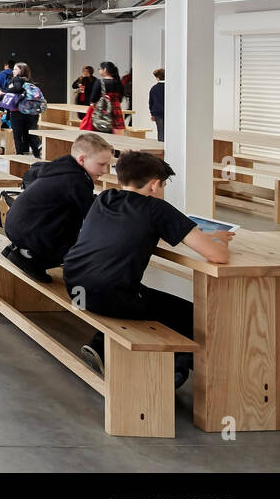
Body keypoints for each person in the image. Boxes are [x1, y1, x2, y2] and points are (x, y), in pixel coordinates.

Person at [64, 152, 232, 388]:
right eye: (163, 184)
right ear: (154, 185)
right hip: (113, 295)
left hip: (76, 286)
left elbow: (130, 232)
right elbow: (218, 256)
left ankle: (100, 345)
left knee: (148, 299)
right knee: (192, 315)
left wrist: (202, 236)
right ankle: (175, 368)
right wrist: (220, 241)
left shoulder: (105, 198)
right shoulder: (157, 209)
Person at [2, 133, 114, 281]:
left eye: (109, 165)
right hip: (30, 233)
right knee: (84, 250)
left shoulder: (62, 169)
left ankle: (21, 251)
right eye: (102, 164)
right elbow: (93, 215)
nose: (106, 171)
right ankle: (31, 259)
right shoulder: (78, 180)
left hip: (17, 227)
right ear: (82, 160)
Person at [5, 61, 42, 159]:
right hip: (31, 112)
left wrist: (8, 90)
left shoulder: (17, 79)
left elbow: (16, 89)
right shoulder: (30, 81)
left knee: (17, 135)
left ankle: (19, 156)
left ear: (22, 70)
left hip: (17, 111)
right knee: (29, 133)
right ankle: (37, 154)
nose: (13, 71)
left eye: (16, 69)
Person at [82, 61, 126, 133]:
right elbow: (120, 98)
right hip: (116, 109)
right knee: (116, 130)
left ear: (105, 69)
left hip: (103, 109)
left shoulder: (100, 82)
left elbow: (93, 99)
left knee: (102, 129)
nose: (99, 70)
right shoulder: (117, 82)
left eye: (100, 69)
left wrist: (93, 103)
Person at [149, 68, 166, 142]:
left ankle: (161, 147)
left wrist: (152, 113)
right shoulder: (169, 87)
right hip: (169, 113)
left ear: (157, 77)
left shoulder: (154, 88)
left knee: (160, 131)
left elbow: (151, 102)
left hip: (157, 113)